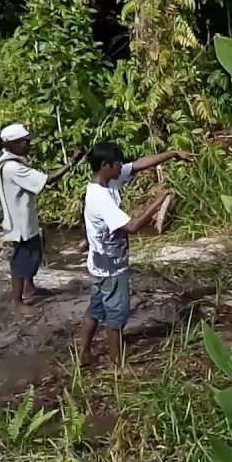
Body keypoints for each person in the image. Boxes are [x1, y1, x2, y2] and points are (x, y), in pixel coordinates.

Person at [77, 141, 194, 367]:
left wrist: (171, 153)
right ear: (105, 165)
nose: (122, 168)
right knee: (116, 316)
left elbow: (138, 165)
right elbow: (131, 226)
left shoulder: (106, 181)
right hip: (111, 267)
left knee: (96, 309)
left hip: (99, 263)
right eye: (118, 164)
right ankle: (117, 363)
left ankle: (84, 353)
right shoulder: (100, 198)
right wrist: (157, 202)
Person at [0, 123, 79, 312]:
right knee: (22, 259)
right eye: (24, 142)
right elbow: (47, 180)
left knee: (33, 251)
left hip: (22, 218)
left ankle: (29, 287)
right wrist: (71, 163)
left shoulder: (4, 158)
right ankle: (18, 301)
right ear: (12, 144)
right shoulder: (12, 168)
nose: (28, 145)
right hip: (19, 222)